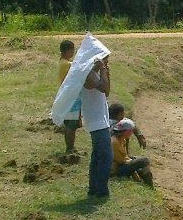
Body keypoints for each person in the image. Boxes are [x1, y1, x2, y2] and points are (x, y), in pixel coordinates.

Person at [81, 57, 112, 199]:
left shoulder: (94, 73)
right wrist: (103, 70)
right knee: (105, 156)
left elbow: (106, 92)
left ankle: (94, 188)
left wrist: (104, 72)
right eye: (106, 60)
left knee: (98, 156)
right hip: (96, 121)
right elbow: (104, 88)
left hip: (99, 120)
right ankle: (101, 189)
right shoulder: (88, 73)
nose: (107, 63)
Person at [111, 118, 154, 186]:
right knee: (144, 160)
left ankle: (148, 183)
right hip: (116, 170)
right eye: (131, 131)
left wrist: (131, 161)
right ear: (127, 132)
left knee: (139, 164)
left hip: (121, 164)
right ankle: (150, 185)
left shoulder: (122, 139)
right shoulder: (114, 142)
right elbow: (120, 160)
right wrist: (133, 169)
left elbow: (125, 156)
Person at [57, 40, 82, 153]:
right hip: (71, 98)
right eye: (72, 50)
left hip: (67, 96)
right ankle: (70, 148)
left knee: (70, 124)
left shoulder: (62, 63)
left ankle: (70, 147)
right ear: (68, 51)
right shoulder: (68, 64)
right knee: (71, 125)